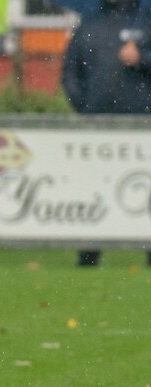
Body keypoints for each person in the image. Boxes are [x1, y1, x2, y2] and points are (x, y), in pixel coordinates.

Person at [62, 0, 151, 268]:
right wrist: (86, 107)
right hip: (96, 128)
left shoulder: (145, 18)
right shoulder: (88, 23)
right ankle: (89, 255)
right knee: (93, 190)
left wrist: (143, 59)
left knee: (142, 190)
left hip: (141, 129)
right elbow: (70, 73)